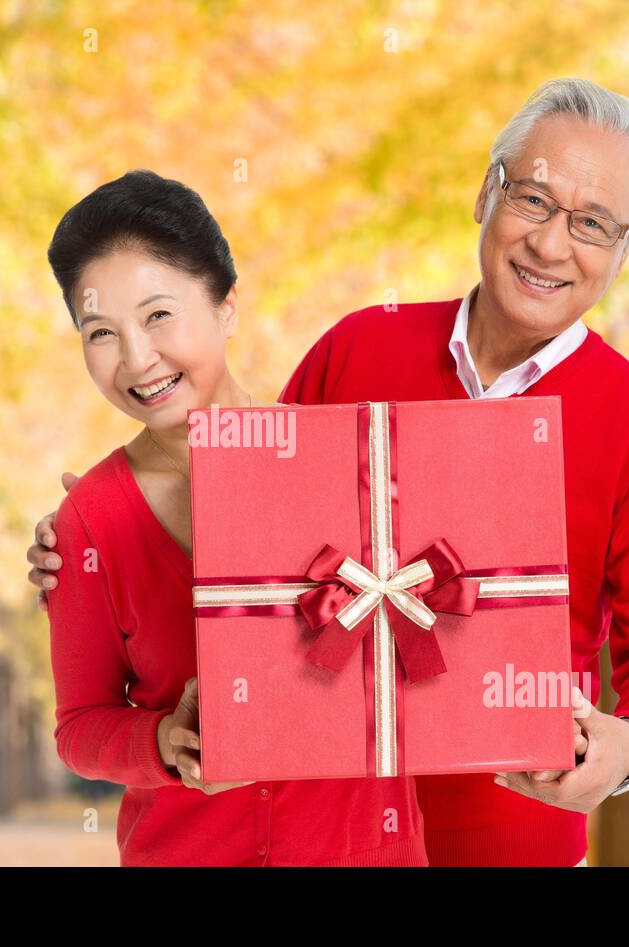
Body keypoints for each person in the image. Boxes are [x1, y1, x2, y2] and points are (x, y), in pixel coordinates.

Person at [30, 79, 629, 867]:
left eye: (593, 223)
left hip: (517, 838)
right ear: (485, 192)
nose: (552, 244)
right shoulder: (358, 351)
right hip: (334, 840)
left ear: (625, 247)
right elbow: (251, 539)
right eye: (533, 199)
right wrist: (87, 538)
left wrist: (627, 747)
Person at [42, 169, 440, 865]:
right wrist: (163, 742)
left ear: (226, 307)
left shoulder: (356, 467)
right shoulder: (90, 520)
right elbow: (80, 727)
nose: (138, 359)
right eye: (101, 332)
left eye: (159, 315)